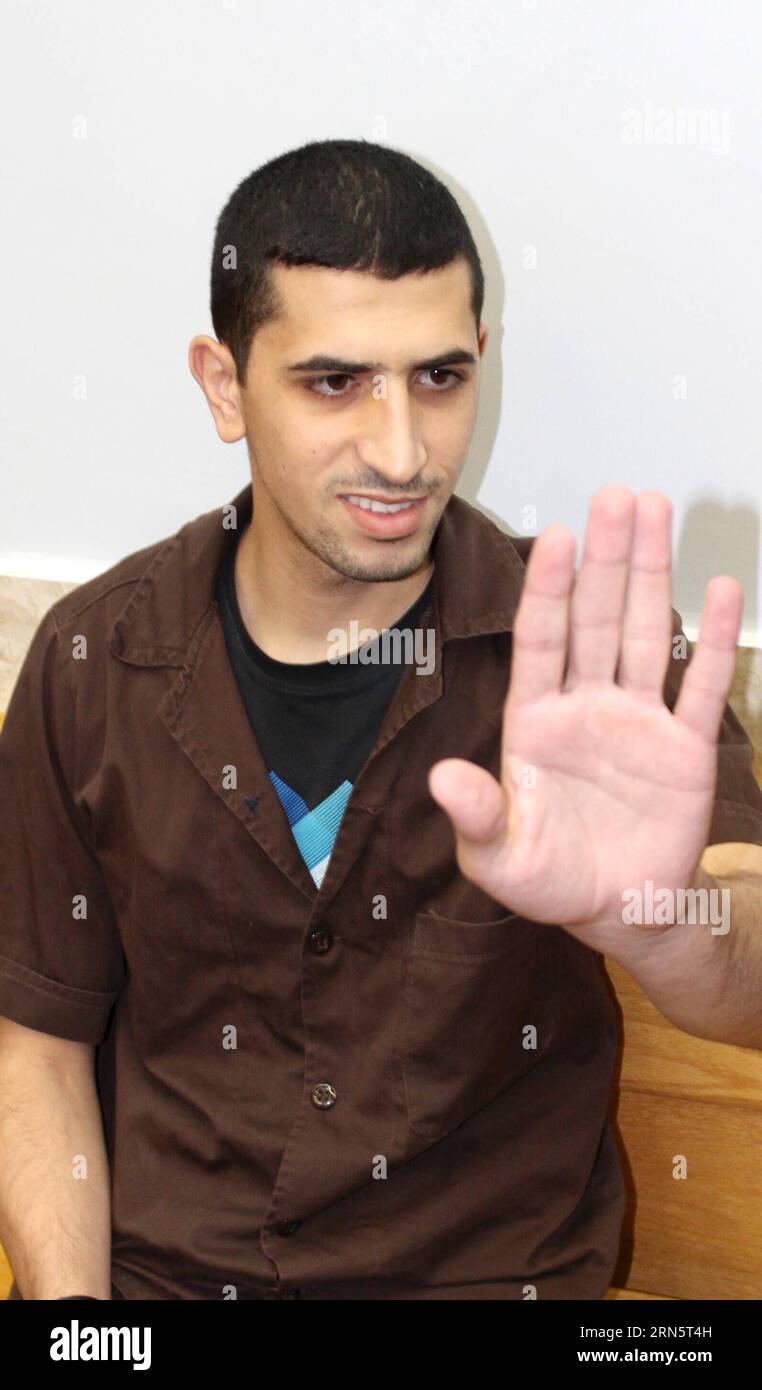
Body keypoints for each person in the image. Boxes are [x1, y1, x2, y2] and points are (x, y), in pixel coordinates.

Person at [1, 139, 761, 1302]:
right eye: (334, 382)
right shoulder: (93, 662)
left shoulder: (596, 661)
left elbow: (750, 978)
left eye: (440, 378)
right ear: (221, 384)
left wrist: (659, 922)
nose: (403, 454)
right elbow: (37, 1045)